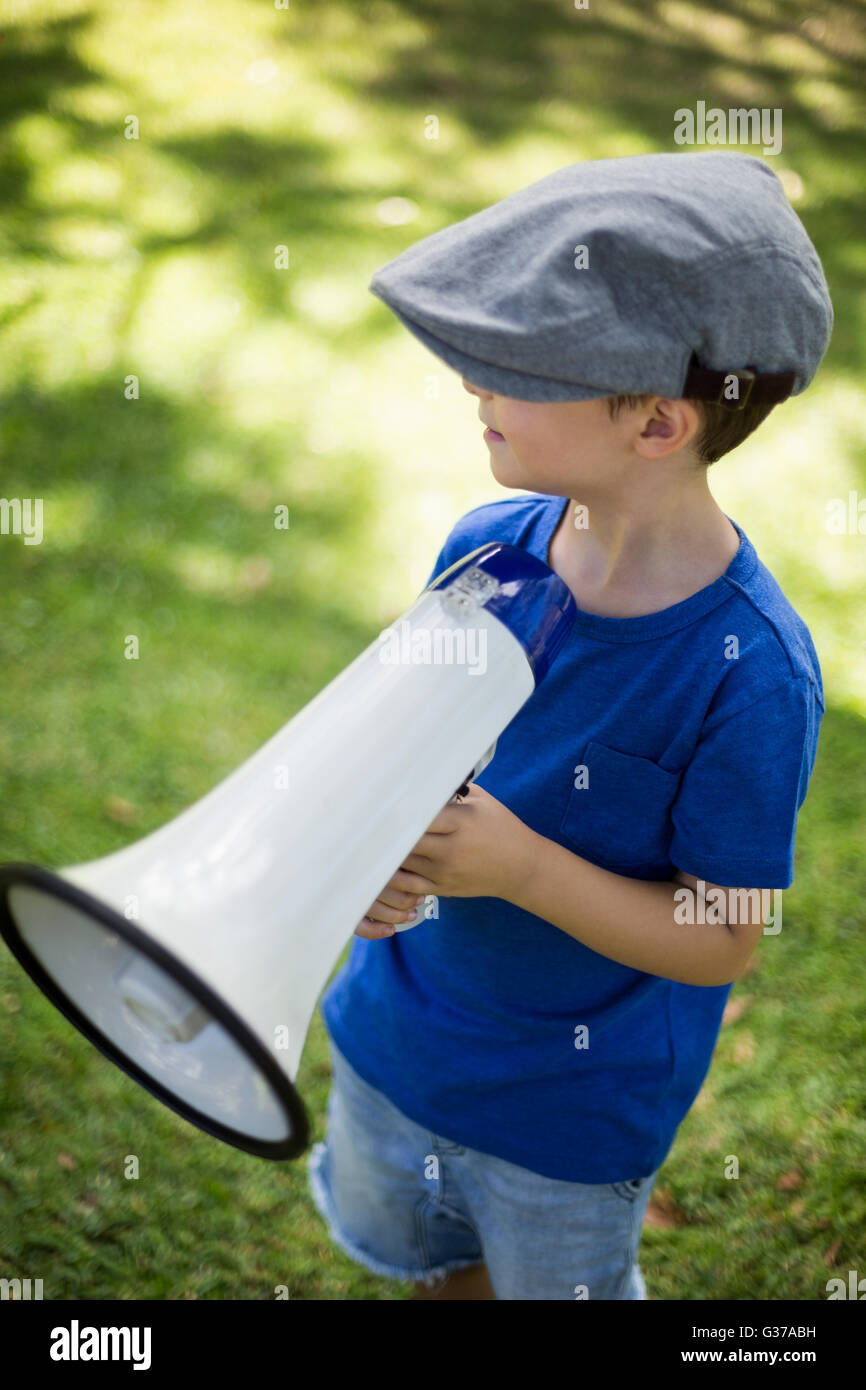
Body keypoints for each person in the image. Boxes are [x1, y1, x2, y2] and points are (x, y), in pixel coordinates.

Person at [306, 151, 832, 1300]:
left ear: (655, 422)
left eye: (513, 367)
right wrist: (380, 860)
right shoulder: (481, 547)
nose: (469, 384)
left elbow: (725, 935)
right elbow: (409, 762)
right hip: (395, 1042)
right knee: (436, 1269)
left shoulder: (746, 672)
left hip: (565, 1110)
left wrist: (524, 867)